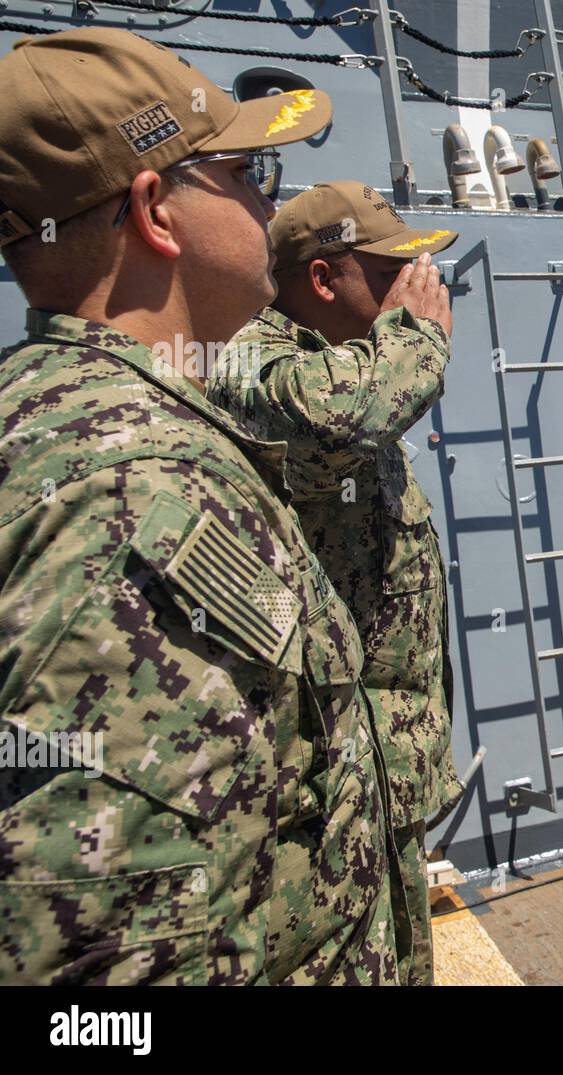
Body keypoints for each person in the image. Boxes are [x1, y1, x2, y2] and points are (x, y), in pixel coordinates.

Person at [0, 28, 404, 984]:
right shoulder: (138, 492)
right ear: (157, 213)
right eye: (244, 169)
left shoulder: (67, 423)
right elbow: (103, 972)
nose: (269, 200)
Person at [206, 180, 460, 986]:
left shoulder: (348, 360)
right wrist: (416, 338)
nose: (414, 285)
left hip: (387, 765)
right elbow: (343, 413)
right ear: (322, 279)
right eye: (390, 271)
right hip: (319, 786)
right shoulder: (252, 357)